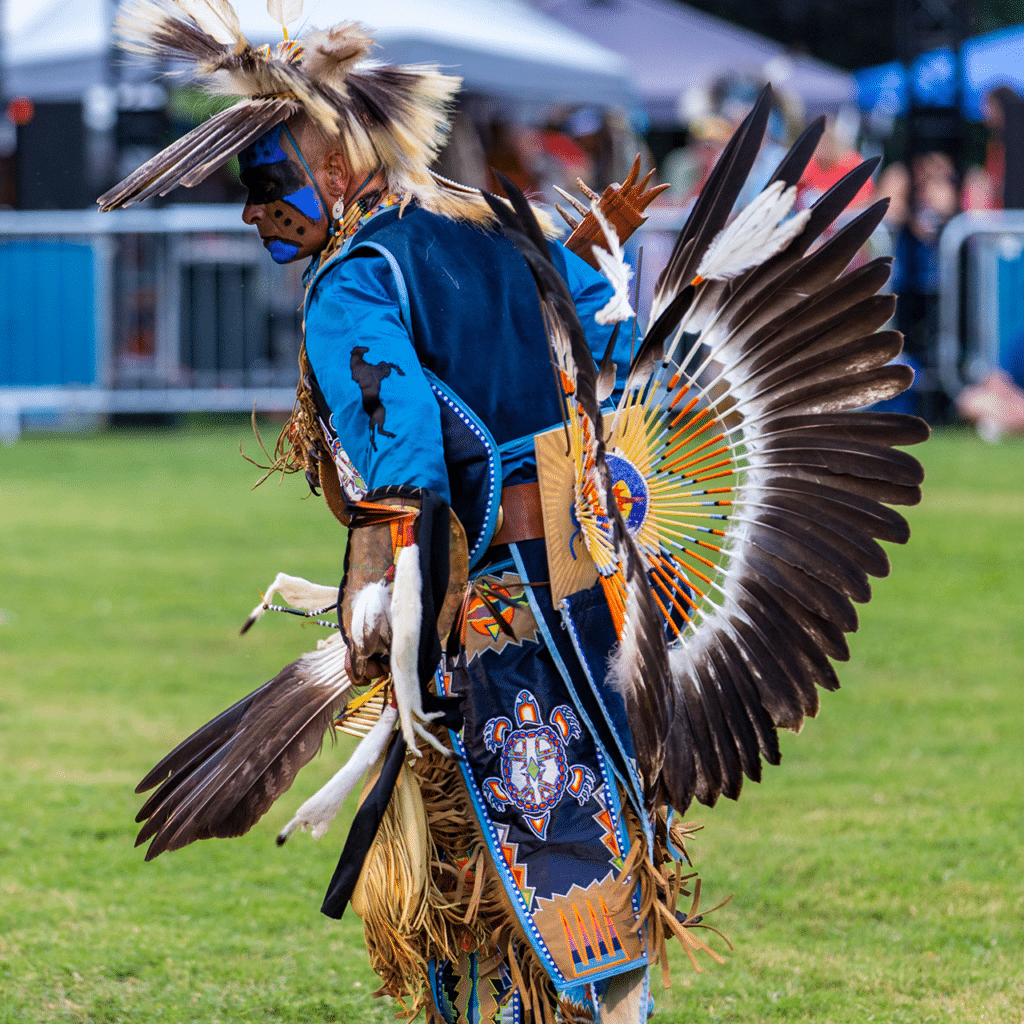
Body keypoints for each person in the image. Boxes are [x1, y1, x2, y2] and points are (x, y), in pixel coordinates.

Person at [102, 4, 926, 1022]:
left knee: (479, 861)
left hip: (474, 606)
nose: (250, 212)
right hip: (593, 597)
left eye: (266, 183)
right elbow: (609, 334)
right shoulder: (500, 223)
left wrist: (389, 597)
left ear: (337, 166)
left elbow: (404, 457)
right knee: (589, 831)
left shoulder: (354, 281)